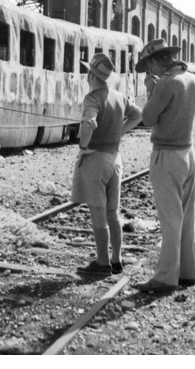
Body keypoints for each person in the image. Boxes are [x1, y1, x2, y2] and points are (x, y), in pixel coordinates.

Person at [134, 39, 195, 293]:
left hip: (167, 155)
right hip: (188, 152)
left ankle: (165, 278)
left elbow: (148, 119)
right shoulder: (192, 79)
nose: (150, 71)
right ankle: (188, 271)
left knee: (170, 219)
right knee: (186, 216)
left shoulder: (166, 83)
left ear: (155, 60)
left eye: (149, 65)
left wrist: (151, 92)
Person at [71, 53, 142, 277]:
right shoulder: (119, 97)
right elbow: (138, 114)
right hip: (115, 160)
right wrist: (120, 131)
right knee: (113, 213)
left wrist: (83, 148)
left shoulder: (92, 98)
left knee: (98, 215)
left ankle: (102, 263)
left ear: (91, 74)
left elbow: (89, 123)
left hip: (96, 160)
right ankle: (116, 260)